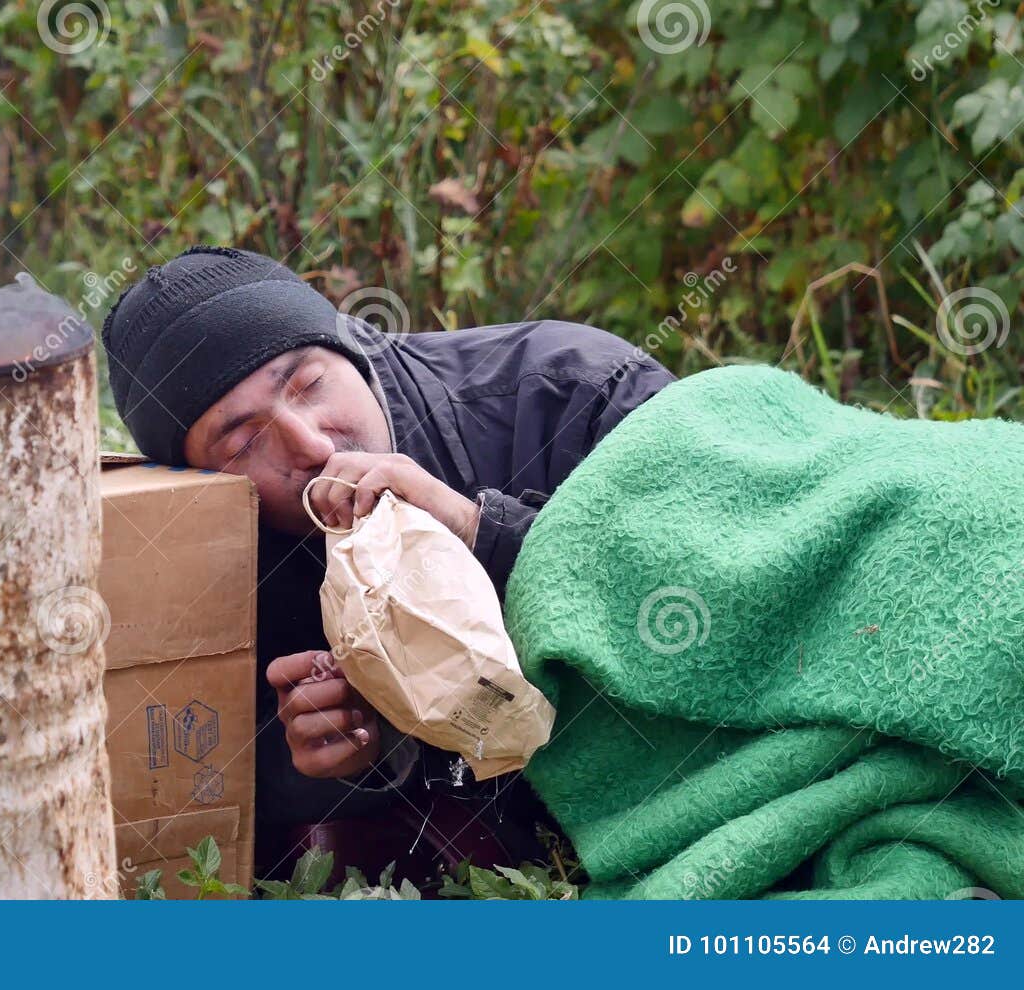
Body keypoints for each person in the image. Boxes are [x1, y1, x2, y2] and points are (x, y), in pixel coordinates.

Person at [101, 245, 675, 866]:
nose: (312, 444)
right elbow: (195, 771)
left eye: (310, 385)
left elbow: (725, 586)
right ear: (200, 478)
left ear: (347, 349)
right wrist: (338, 760)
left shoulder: (576, 388)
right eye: (244, 443)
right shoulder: (204, 545)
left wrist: (477, 529)